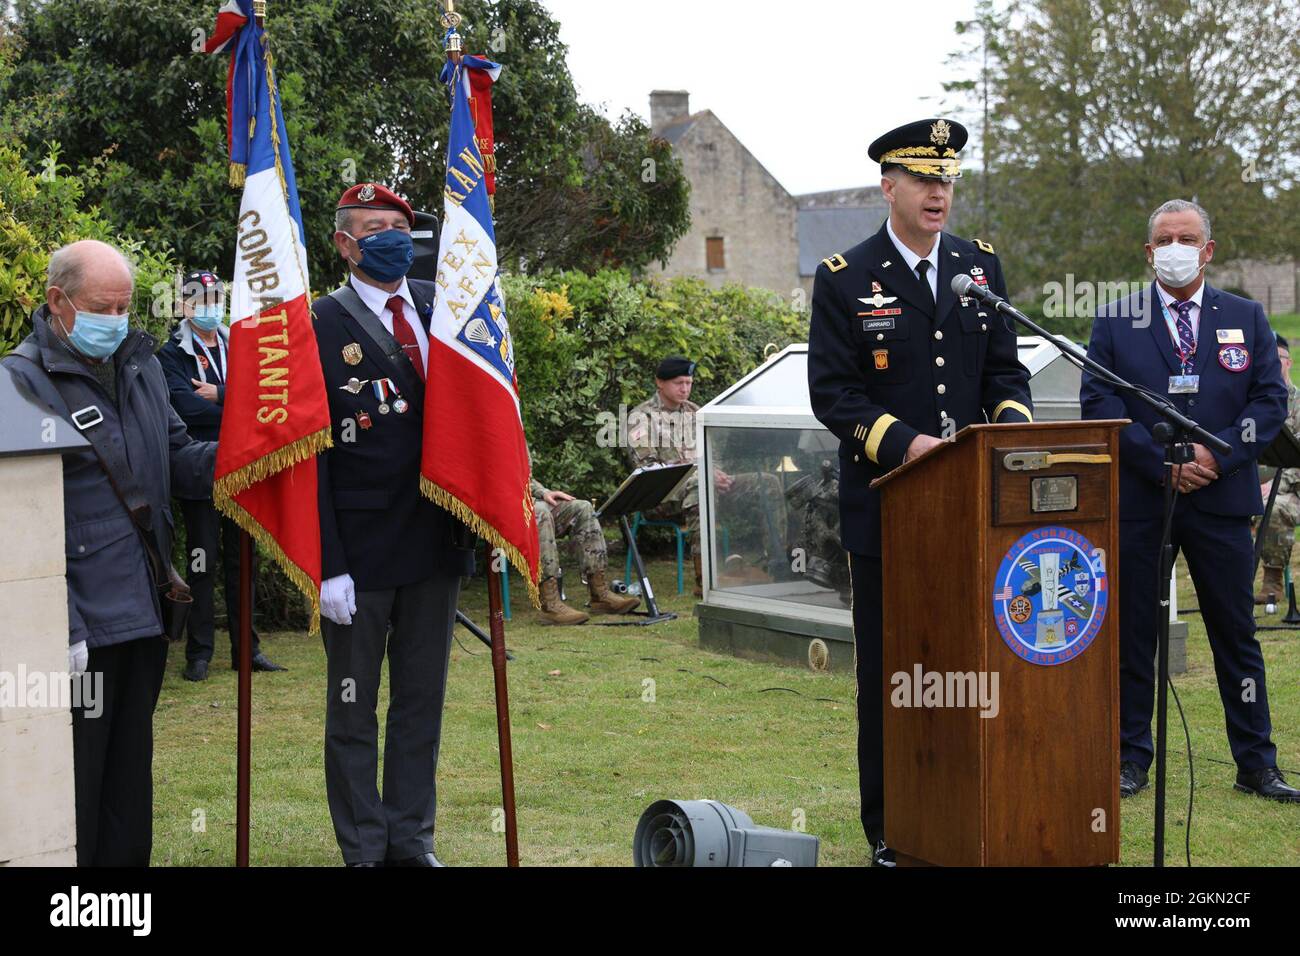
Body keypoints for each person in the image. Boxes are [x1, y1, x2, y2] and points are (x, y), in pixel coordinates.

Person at [807, 119, 1034, 865]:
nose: (939, 192)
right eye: (924, 179)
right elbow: (834, 396)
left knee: (976, 667)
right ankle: (892, 828)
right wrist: (911, 447)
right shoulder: (846, 276)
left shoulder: (980, 267)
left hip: (974, 515)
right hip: (890, 514)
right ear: (889, 186)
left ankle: (973, 808)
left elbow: (1006, 372)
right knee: (894, 678)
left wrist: (1005, 433)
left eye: (948, 180)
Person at [2, 239, 216, 865]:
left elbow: (176, 457)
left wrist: (241, 458)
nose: (116, 319)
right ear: (57, 302)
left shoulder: (140, 363)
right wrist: (57, 625)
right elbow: (16, 525)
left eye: (125, 305)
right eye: (103, 306)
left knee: (128, 779)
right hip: (77, 625)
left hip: (143, 611)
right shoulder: (19, 385)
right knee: (76, 785)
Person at [1080, 198, 1299, 804]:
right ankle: (1131, 759)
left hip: (1222, 502)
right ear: (1149, 253)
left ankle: (1257, 763)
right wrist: (1163, 467)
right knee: (1134, 634)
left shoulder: (1247, 316)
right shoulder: (1114, 321)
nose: (1176, 248)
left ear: (1208, 250)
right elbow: (1098, 407)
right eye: (1164, 239)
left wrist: (1217, 456)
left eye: (1188, 238)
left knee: (1236, 634)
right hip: (1144, 502)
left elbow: (1268, 403)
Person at [313, 183, 476, 866]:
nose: (393, 238)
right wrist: (326, 562)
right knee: (354, 711)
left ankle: (410, 841)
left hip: (434, 543)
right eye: (376, 227)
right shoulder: (320, 322)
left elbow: (476, 421)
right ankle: (365, 848)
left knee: (420, 705)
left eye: (401, 227)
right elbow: (311, 450)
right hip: (360, 552)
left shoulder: (446, 310)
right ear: (345, 243)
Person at [157, 270, 284, 680]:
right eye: (198, 299)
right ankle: (199, 652)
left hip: (245, 468)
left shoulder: (241, 342)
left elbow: (266, 397)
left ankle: (247, 649)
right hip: (200, 471)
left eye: (214, 298)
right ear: (183, 305)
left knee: (241, 561)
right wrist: (240, 405)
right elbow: (185, 408)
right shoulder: (171, 354)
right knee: (202, 563)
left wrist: (224, 395)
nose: (208, 307)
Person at [627, 356, 787, 596]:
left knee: (767, 483)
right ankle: (706, 579)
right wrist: (704, 474)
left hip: (706, 486)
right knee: (700, 484)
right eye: (679, 383)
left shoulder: (696, 412)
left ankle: (776, 564)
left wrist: (717, 473)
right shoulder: (640, 418)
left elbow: (713, 453)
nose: (685, 389)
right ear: (660, 383)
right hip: (663, 497)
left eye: (689, 383)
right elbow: (650, 470)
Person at [530, 476, 639, 625]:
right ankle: (550, 605)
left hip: (526, 502)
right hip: (503, 507)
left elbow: (521, 476)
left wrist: (543, 492)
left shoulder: (517, 451)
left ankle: (600, 594)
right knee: (541, 513)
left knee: (583, 508)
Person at [1254, 333, 1300, 604]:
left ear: (1289, 363)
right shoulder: (1256, 405)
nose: (1273, 365)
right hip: (1253, 485)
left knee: (1274, 507)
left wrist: (1274, 484)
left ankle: (1272, 583)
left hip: (1291, 490)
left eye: (1278, 359)